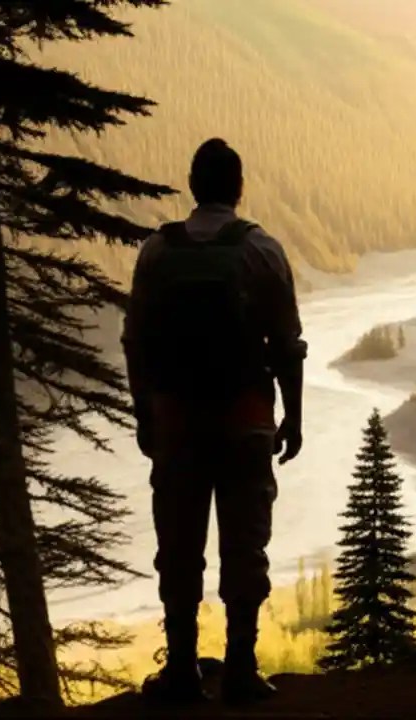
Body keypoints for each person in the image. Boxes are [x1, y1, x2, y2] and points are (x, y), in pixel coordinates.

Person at [122, 138, 306, 705]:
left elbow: (135, 341)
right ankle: (243, 671)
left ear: (192, 185)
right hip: (245, 420)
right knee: (245, 545)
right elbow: (287, 345)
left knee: (179, 547)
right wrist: (292, 418)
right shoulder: (263, 251)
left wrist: (145, 413)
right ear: (239, 186)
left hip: (176, 423)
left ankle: (181, 670)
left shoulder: (157, 252)